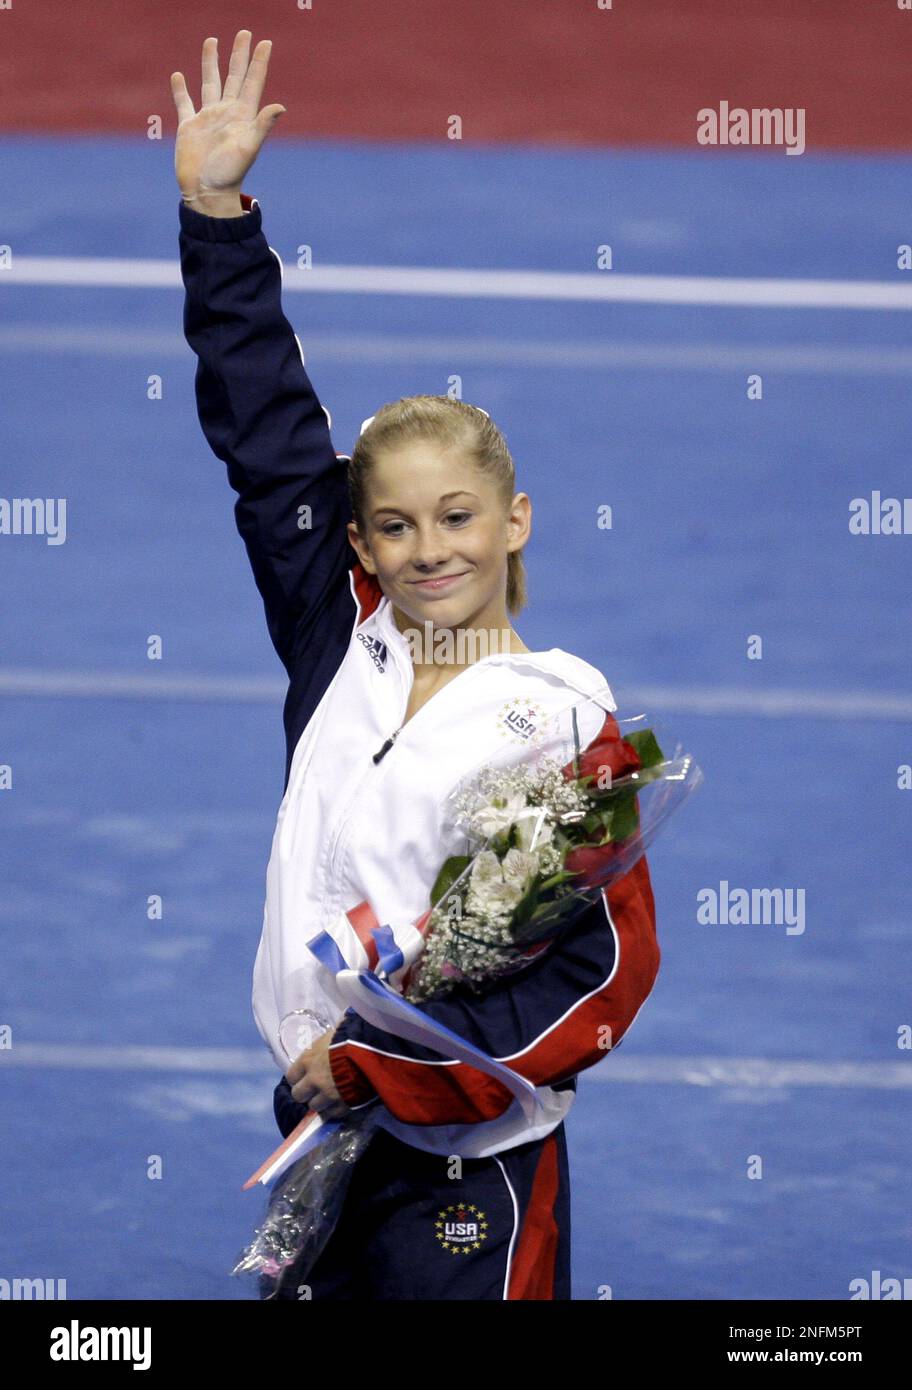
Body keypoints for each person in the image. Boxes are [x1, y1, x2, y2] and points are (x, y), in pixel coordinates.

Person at [172, 29, 659, 1301]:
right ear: (359, 542)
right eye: (393, 523)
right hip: (316, 1132)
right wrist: (217, 215)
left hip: (473, 1178)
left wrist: (388, 1073)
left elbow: (597, 982)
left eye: (456, 516)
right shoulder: (344, 644)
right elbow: (269, 436)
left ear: (516, 521)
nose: (425, 547)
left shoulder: (565, 721)